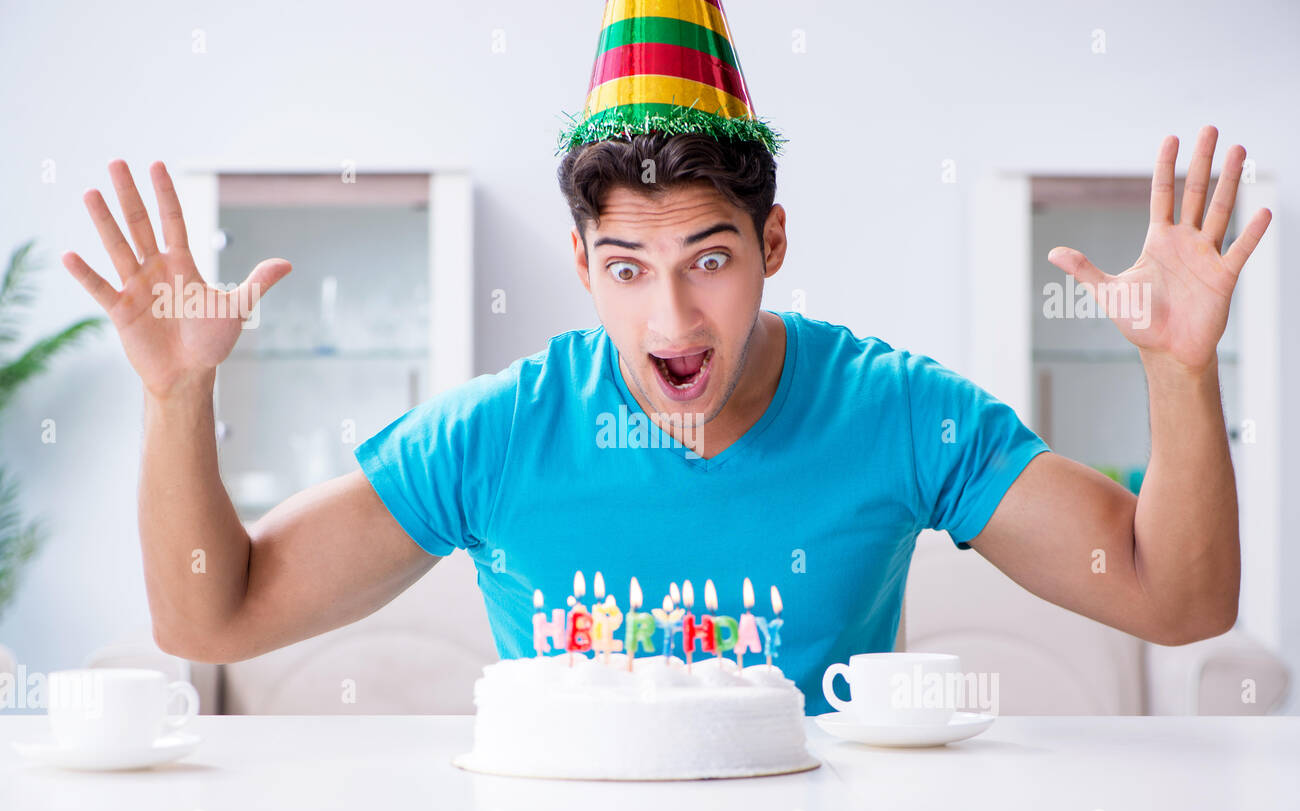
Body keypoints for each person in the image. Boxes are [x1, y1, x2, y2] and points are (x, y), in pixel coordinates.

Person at [60, 1, 1270, 713]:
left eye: (710, 258)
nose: (673, 324)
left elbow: (1180, 599)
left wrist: (1177, 368)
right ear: (583, 267)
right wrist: (178, 395)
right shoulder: (494, 436)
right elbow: (210, 620)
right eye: (628, 270)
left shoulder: (896, 413)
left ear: (772, 242)